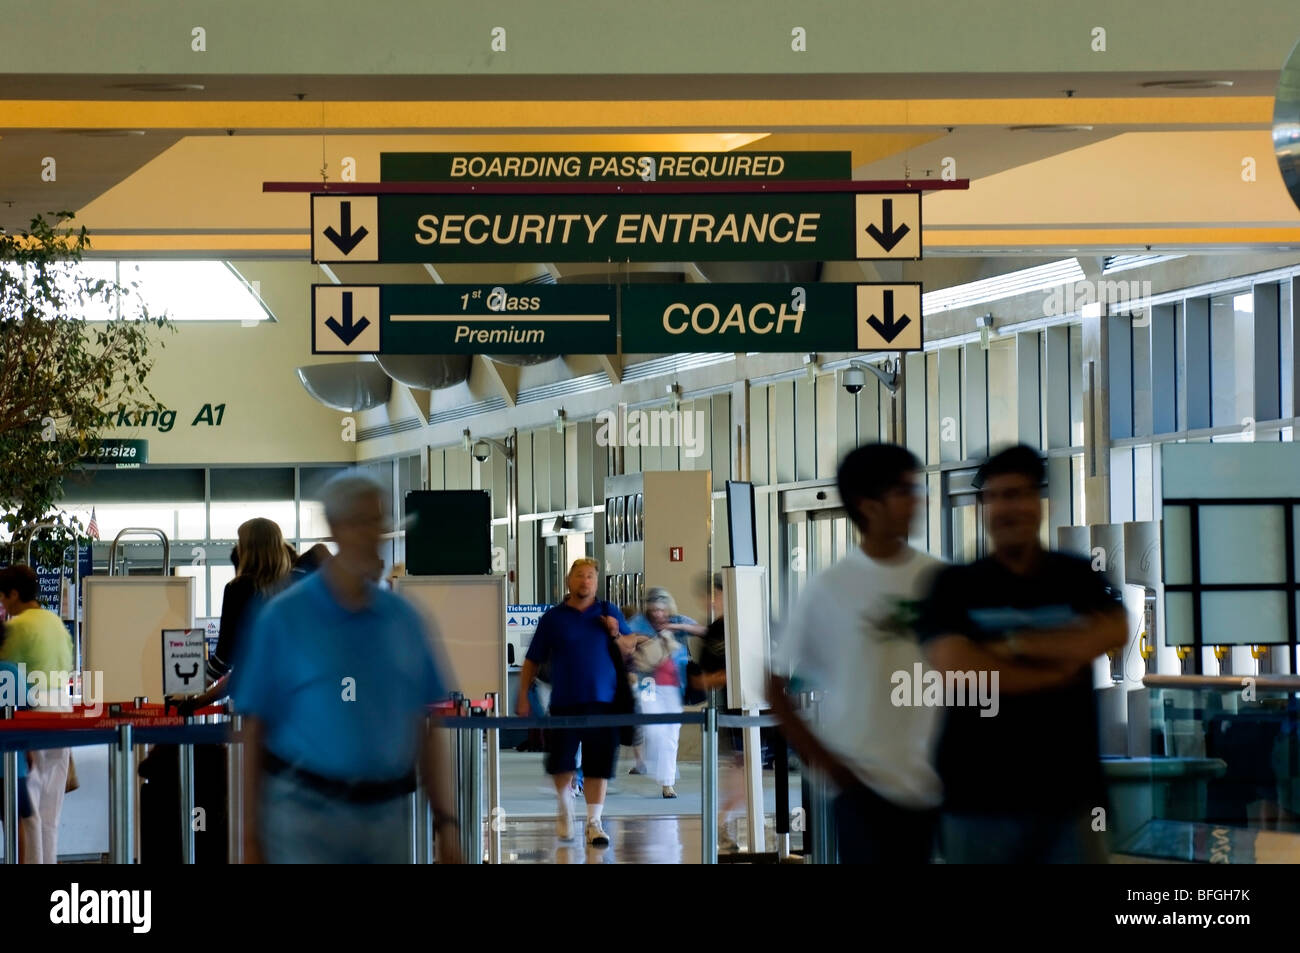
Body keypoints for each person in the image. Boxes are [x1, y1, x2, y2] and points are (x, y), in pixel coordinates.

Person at [230, 470, 461, 863]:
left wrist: (447, 824)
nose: (375, 534)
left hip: (387, 817)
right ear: (336, 528)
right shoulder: (284, 618)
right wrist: (249, 838)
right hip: (304, 818)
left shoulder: (403, 619)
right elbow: (253, 729)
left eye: (380, 522)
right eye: (363, 522)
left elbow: (426, 725)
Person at [916, 444, 1128, 863]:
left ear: (1037, 503)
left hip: (1069, 796)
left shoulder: (1077, 576)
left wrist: (1011, 645)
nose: (1003, 508)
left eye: (1014, 494)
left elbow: (1112, 632)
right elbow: (960, 669)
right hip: (975, 800)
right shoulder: (954, 586)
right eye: (992, 497)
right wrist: (1056, 665)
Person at [769, 444, 945, 864]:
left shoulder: (939, 578)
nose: (916, 499)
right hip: (865, 789)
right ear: (869, 506)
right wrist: (828, 762)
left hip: (936, 785)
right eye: (904, 490)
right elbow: (774, 684)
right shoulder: (829, 589)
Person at [517, 557, 636, 848]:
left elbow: (629, 648)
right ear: (569, 581)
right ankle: (565, 806)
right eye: (580, 576)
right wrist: (522, 697)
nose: (585, 581)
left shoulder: (609, 612)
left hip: (603, 701)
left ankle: (594, 822)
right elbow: (533, 659)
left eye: (591, 577)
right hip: (565, 701)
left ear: (597, 582)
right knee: (561, 761)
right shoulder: (554, 618)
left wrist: (615, 632)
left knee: (599, 764)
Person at [0, 564, 74, 864]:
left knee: (27, 811)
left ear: (14, 593)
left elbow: (7, 679)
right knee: (50, 812)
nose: (2, 604)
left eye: (3, 597)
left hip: (32, 716)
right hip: (64, 714)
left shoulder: (16, 627)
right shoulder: (55, 622)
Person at [686, 573, 746, 850]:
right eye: (712, 595)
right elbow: (703, 678)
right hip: (729, 708)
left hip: (753, 706)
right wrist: (728, 675)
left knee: (746, 770)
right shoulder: (713, 633)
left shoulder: (749, 623)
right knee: (741, 769)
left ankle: (725, 821)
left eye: (719, 593)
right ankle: (722, 822)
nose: (714, 600)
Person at [627, 588, 698, 798]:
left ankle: (667, 783)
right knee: (654, 729)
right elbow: (624, 640)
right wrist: (643, 639)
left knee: (672, 734)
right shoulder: (638, 623)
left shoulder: (676, 620)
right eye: (654, 610)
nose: (658, 614)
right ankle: (659, 767)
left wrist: (674, 626)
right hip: (647, 683)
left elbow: (700, 630)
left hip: (674, 686)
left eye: (662, 609)